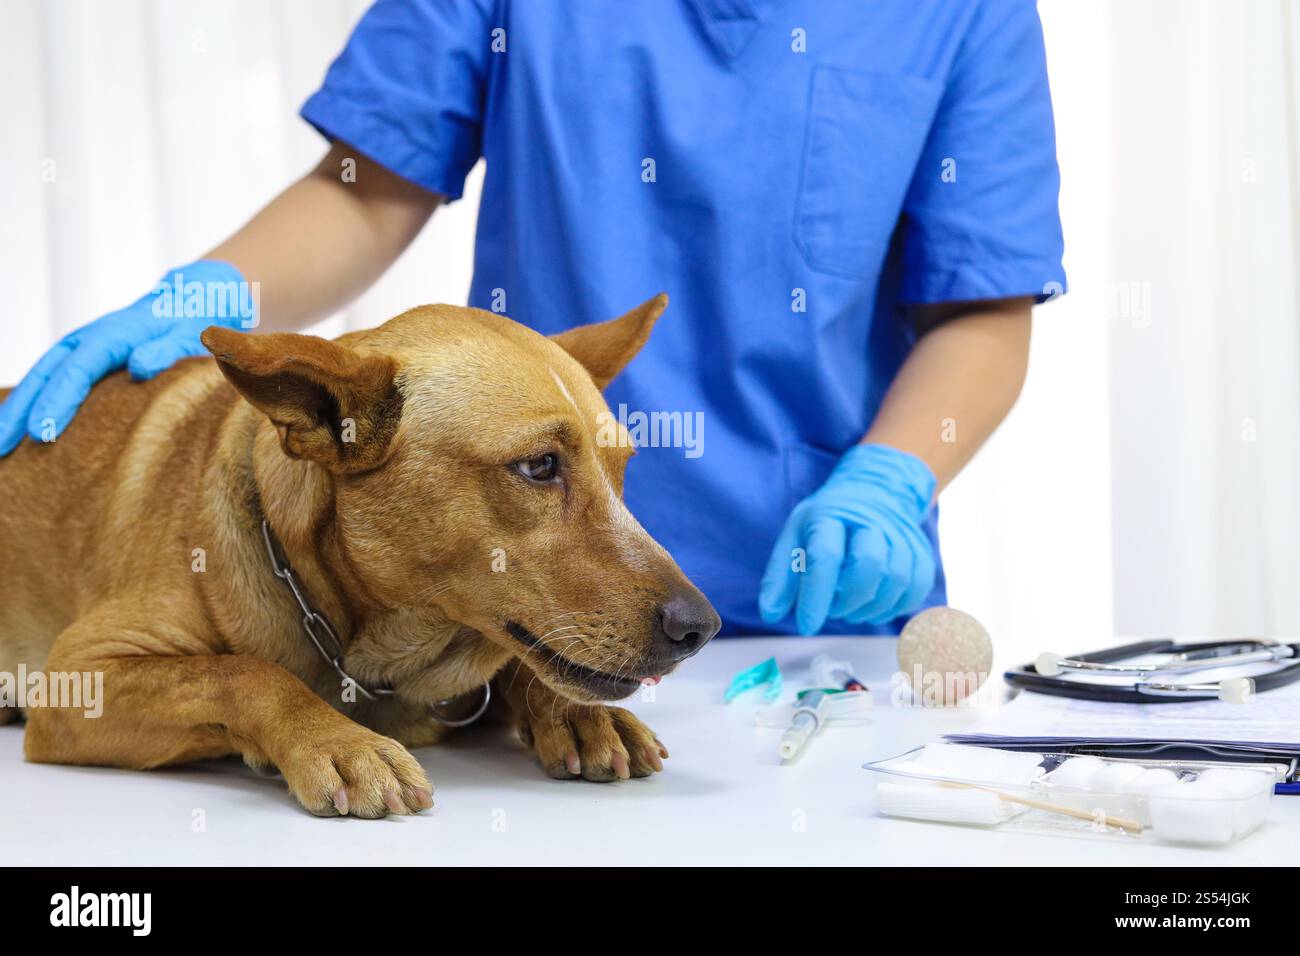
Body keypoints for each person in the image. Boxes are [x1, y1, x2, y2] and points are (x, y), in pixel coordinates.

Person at [0, 0, 1065, 637]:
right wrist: (212, 293)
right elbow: (368, 184)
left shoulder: (964, 11)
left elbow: (981, 306)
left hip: (815, 603)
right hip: (511, 610)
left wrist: (891, 478)